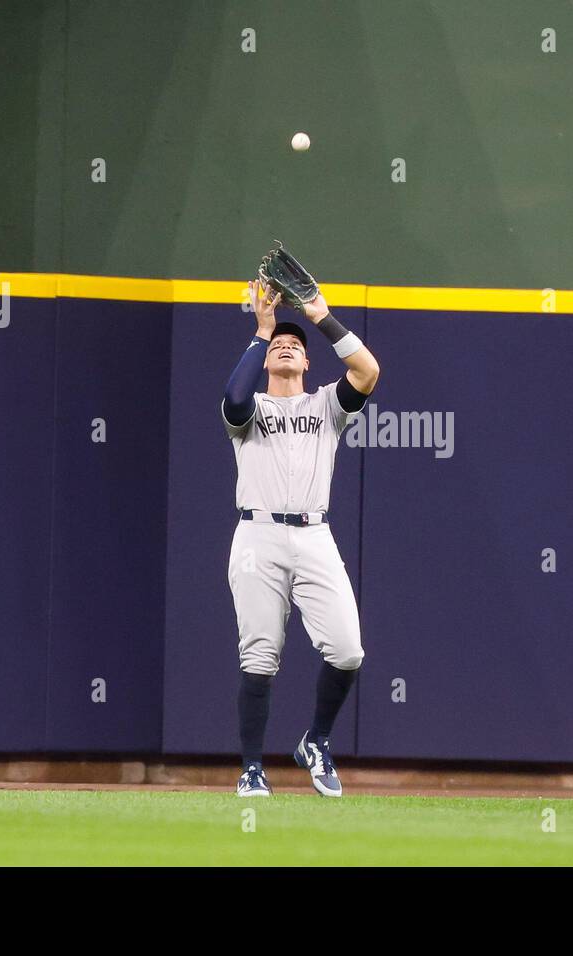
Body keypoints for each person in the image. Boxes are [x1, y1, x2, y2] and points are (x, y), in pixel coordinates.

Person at [222, 279, 380, 797]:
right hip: (258, 534)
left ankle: (317, 740)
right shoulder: (251, 413)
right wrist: (262, 330)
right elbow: (234, 398)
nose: (286, 346)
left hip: (314, 535)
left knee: (348, 650)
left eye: (296, 345)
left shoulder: (327, 406)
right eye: (277, 346)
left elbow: (367, 371)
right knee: (259, 656)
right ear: (266, 360)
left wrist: (319, 317)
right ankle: (251, 768)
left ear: (309, 363)